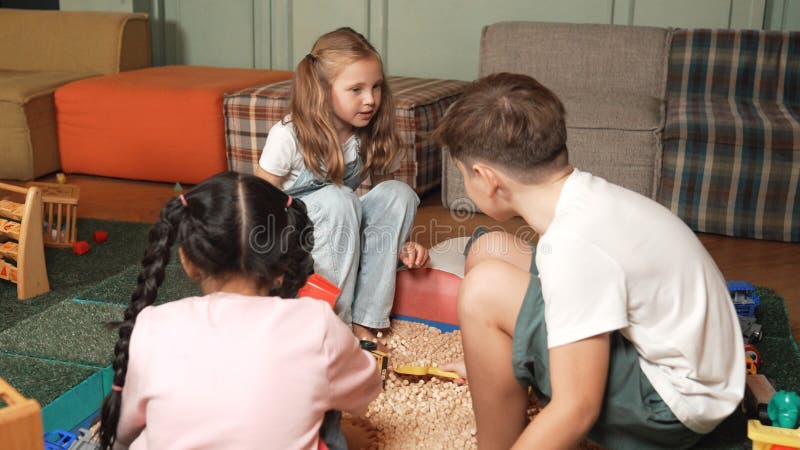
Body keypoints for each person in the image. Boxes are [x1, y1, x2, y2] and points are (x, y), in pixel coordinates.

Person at [431, 73, 745, 450]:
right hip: (687, 364)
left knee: (483, 292)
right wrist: (489, 365)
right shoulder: (587, 198)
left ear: (486, 178)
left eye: (465, 174)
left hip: (673, 407)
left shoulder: (573, 245)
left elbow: (577, 408)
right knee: (490, 250)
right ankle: (495, 374)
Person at [97, 172, 381, 450]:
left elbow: (125, 432)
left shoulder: (154, 324)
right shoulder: (315, 322)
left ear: (187, 260)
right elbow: (366, 392)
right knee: (327, 404)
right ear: (284, 262)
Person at [256, 27, 428, 347]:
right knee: (339, 198)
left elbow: (385, 205)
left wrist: (402, 242)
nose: (370, 100)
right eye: (356, 90)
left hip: (343, 227)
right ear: (322, 90)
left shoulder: (368, 134)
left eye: (376, 87)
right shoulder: (289, 135)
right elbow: (257, 202)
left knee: (398, 193)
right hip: (294, 242)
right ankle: (334, 323)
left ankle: (367, 319)